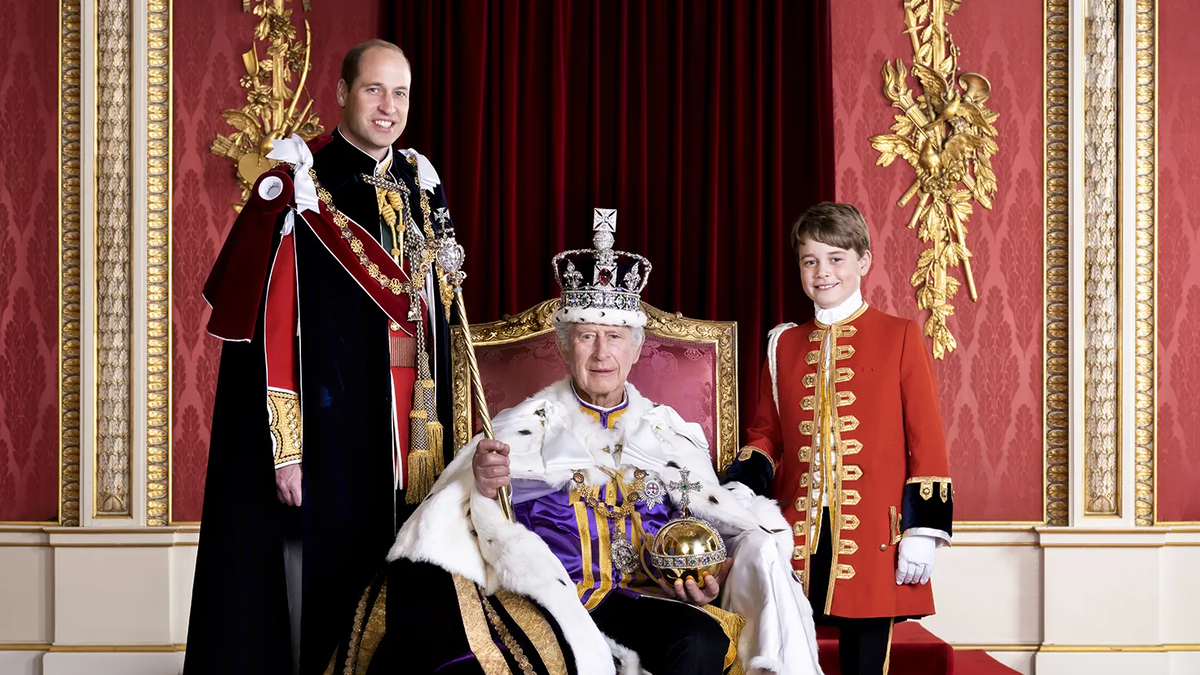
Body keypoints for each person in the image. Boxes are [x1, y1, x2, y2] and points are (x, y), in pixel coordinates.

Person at [334, 211, 823, 675]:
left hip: (643, 600)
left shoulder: (669, 433)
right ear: (565, 347)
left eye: (615, 336)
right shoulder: (519, 428)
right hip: (552, 600)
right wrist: (483, 487)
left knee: (701, 639)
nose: (602, 352)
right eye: (587, 336)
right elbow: (465, 524)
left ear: (637, 348)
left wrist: (702, 578)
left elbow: (709, 527)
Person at [185, 39, 487, 674]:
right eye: (374, 90)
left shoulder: (421, 183)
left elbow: (441, 319)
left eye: (400, 93)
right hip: (333, 427)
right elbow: (273, 329)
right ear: (344, 93)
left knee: (414, 593)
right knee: (338, 596)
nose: (388, 107)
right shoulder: (301, 183)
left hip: (419, 425)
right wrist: (287, 449)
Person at [724, 202, 954, 675]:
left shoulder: (900, 335)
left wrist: (924, 530)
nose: (822, 272)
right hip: (799, 531)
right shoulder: (784, 344)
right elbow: (767, 434)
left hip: (876, 535)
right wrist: (740, 485)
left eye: (835, 258)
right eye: (810, 261)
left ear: (863, 262)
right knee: (787, 658)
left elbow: (927, 439)